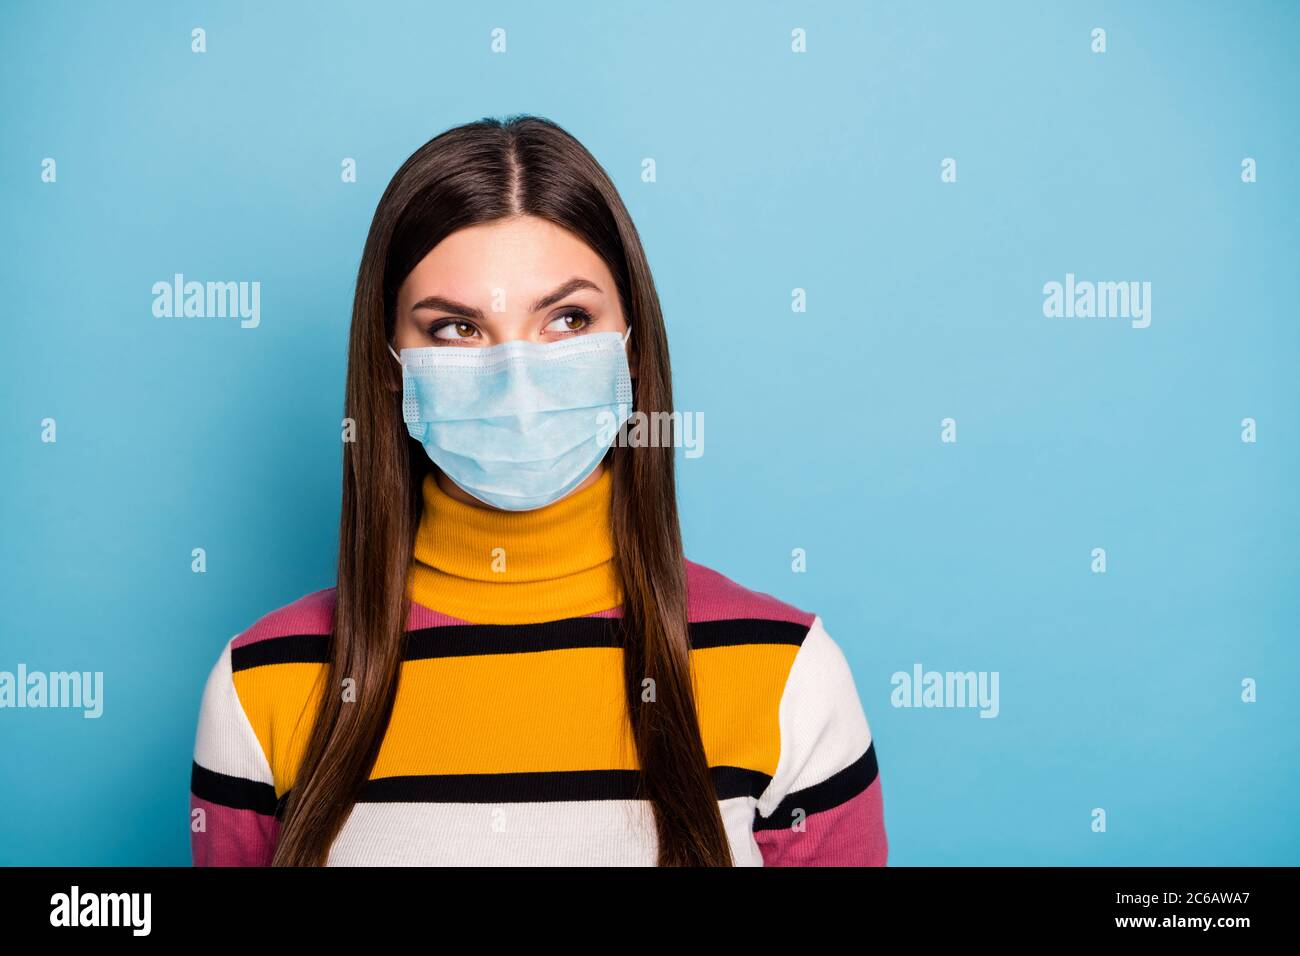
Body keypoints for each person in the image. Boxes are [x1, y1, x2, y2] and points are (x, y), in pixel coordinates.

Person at [188, 114, 888, 866]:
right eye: (457, 328)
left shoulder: (785, 672)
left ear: (633, 345)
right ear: (391, 366)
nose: (516, 378)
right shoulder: (264, 683)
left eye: (566, 318)